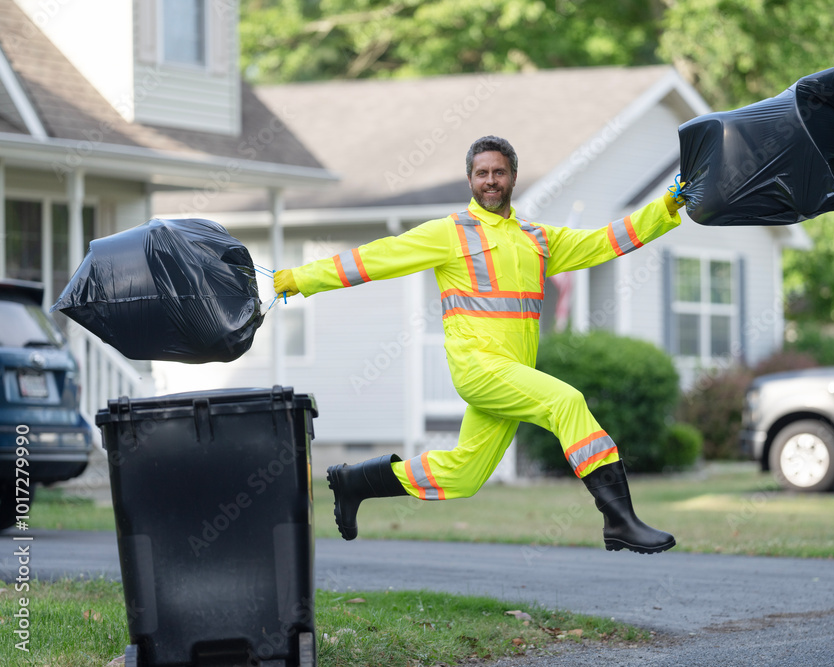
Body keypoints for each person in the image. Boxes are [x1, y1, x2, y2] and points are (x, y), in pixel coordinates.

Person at [273, 135, 686, 554]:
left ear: (513, 177)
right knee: (566, 402)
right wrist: (301, 279)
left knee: (464, 475)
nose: (490, 180)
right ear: (470, 179)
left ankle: (353, 481)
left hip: (514, 372)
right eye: (482, 173)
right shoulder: (449, 233)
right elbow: (377, 257)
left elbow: (602, 242)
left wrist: (666, 206)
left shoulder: (537, 239)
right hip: (478, 367)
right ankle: (619, 520)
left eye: (499, 172)